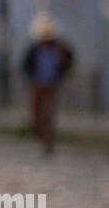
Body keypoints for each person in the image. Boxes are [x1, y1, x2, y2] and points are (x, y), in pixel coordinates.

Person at [21, 13, 74, 155]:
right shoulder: (34, 49)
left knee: (48, 113)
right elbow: (26, 65)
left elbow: (69, 61)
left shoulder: (60, 49)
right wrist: (32, 78)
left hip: (52, 84)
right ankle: (36, 133)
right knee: (35, 112)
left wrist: (62, 72)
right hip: (37, 84)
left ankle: (47, 142)